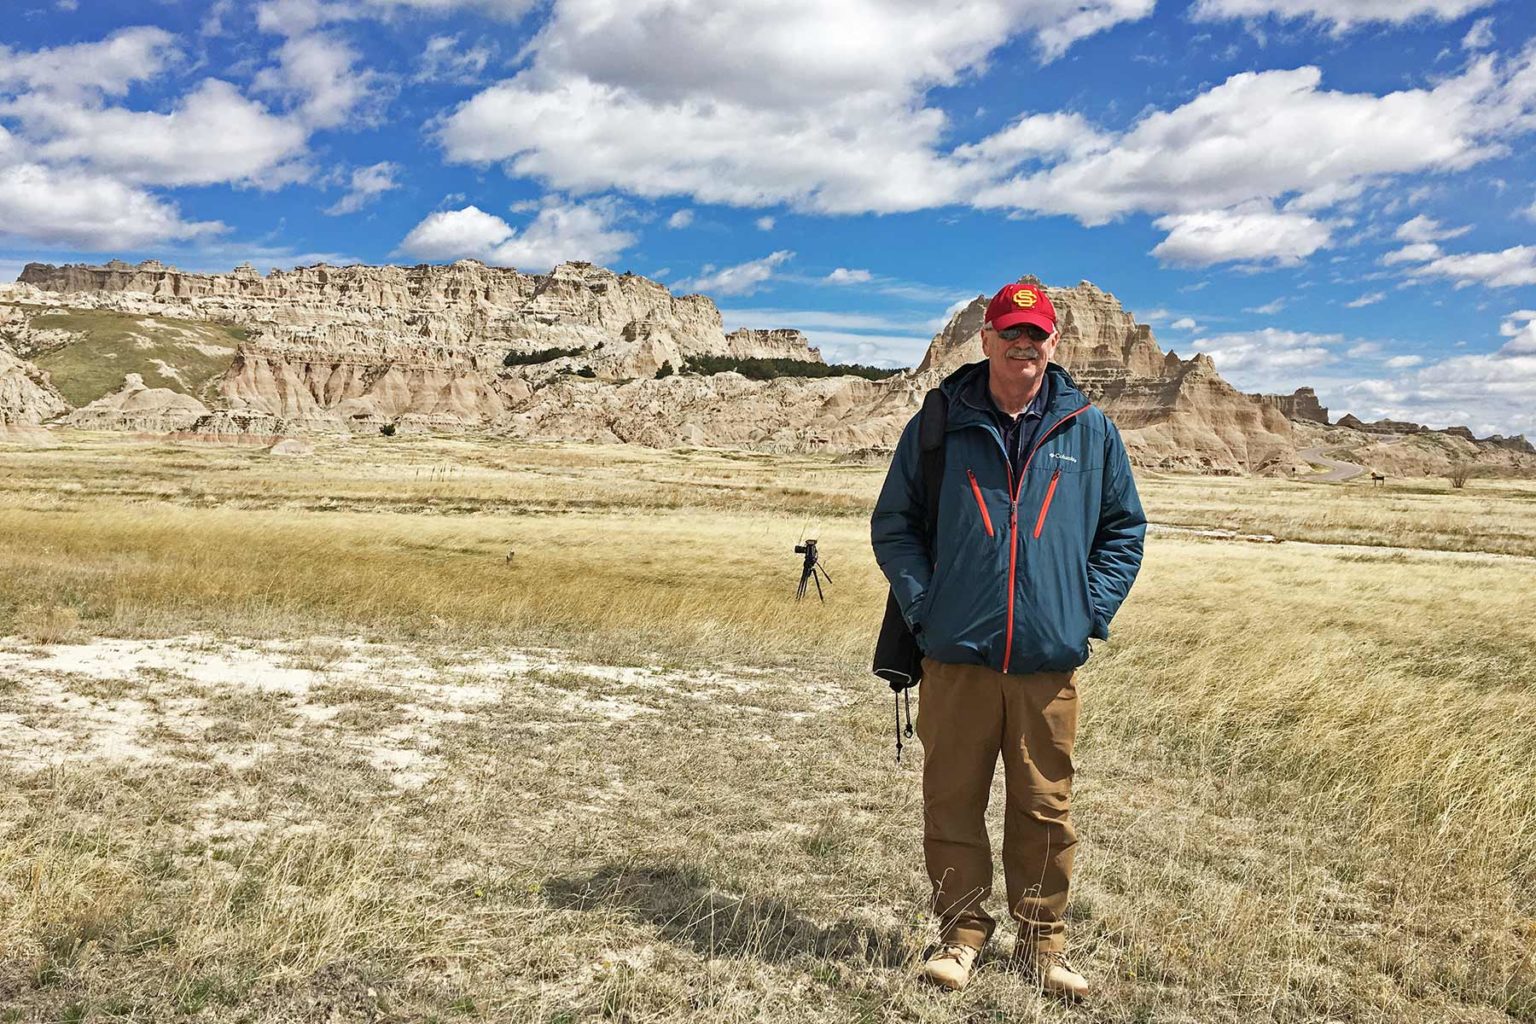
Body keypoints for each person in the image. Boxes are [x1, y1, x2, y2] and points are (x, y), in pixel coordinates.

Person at [870, 280, 1146, 998]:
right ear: (986, 339)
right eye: (1010, 332)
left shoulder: (1089, 427)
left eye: (1037, 335)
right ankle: (960, 934)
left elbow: (1124, 530)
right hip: (956, 654)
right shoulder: (939, 422)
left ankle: (1042, 945)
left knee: (1044, 806)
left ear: (1054, 344)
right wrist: (927, 608)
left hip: (1047, 662)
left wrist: (1085, 611)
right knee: (952, 799)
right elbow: (894, 525)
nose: (1024, 345)